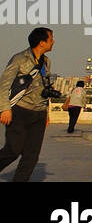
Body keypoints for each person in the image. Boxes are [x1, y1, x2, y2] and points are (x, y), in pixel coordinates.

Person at [0, 27, 55, 182]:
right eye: (51, 39)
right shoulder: (19, 59)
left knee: (32, 155)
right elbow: (4, 84)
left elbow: (45, 88)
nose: (53, 42)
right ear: (42, 42)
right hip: (19, 111)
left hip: (39, 113)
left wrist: (47, 112)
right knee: (13, 150)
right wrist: (4, 108)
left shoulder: (46, 62)